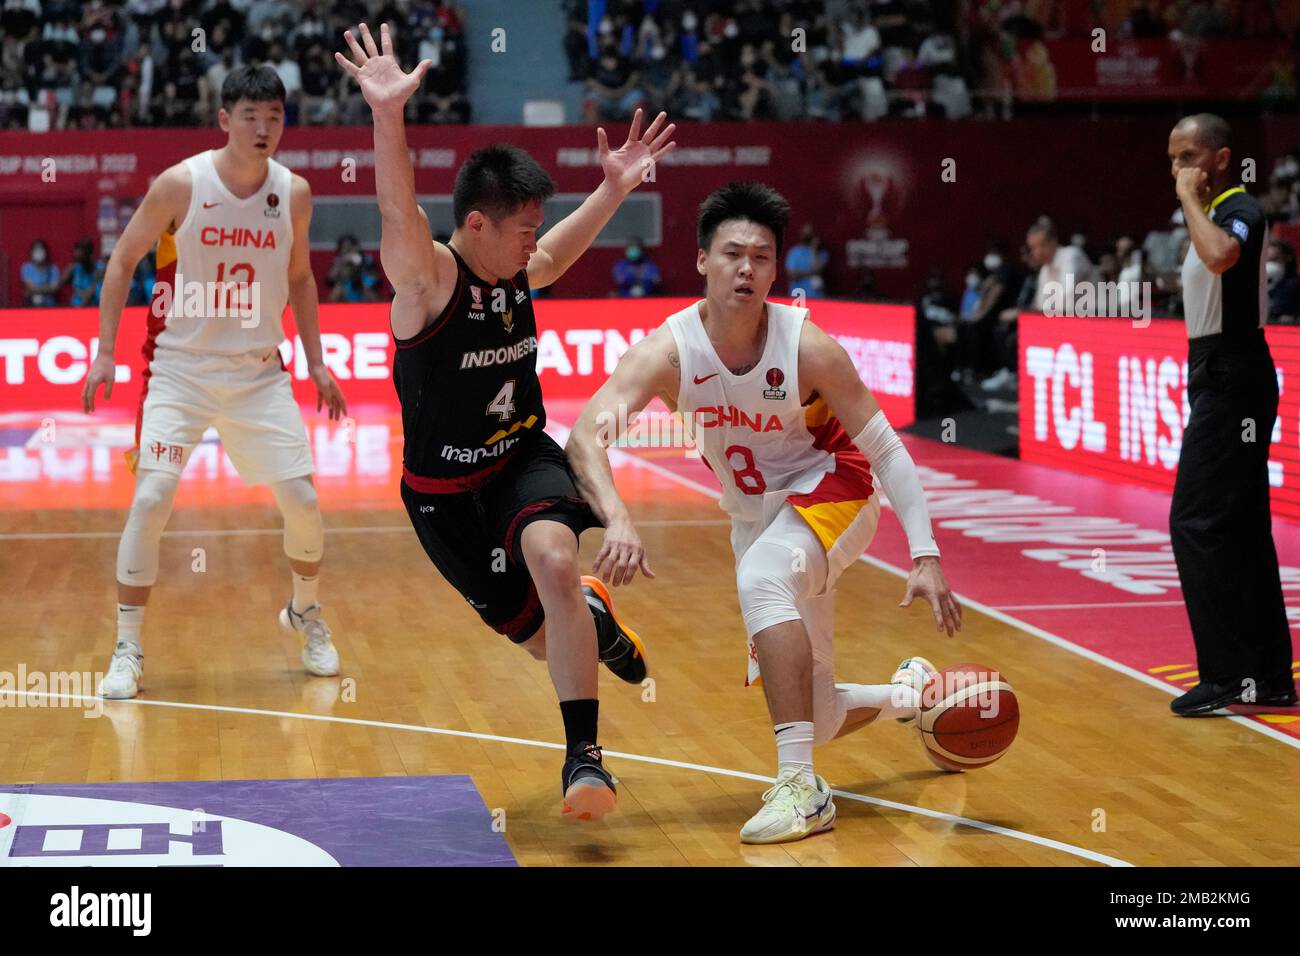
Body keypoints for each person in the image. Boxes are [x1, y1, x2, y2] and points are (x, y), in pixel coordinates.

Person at [335, 22, 675, 821]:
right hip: (443, 499)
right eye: (521, 230)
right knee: (538, 635)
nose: (533, 247)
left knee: (552, 558)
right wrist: (388, 114)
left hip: (522, 457)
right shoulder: (426, 281)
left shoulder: (518, 268)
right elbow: (396, 212)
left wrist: (615, 188)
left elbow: (555, 255)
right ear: (477, 226)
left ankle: (585, 759)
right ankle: (594, 621)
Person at [566, 181, 961, 844]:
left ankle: (803, 791)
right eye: (732, 254)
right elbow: (585, 436)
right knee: (816, 710)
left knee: (762, 582)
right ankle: (914, 695)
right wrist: (619, 518)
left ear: (778, 269)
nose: (746, 268)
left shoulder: (807, 347)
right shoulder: (669, 351)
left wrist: (925, 554)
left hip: (835, 486)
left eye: (761, 256)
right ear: (701, 261)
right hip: (756, 515)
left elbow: (888, 449)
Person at [80, 65, 348, 701]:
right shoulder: (181, 184)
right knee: (150, 502)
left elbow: (302, 279)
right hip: (180, 369)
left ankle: (305, 612)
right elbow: (122, 260)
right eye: (250, 117)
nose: (264, 128)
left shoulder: (296, 192)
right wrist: (103, 353)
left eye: (275, 117)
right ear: (225, 120)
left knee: (305, 505)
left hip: (259, 373)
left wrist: (316, 361)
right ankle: (127, 646)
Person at [1166, 113, 1297, 715]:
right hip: (1215, 371)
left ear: (1221, 158)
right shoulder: (1210, 210)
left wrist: (1191, 199)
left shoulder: (1238, 206)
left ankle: (1223, 674)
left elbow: (1220, 257)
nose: (1178, 170)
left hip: (1233, 373)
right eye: (1171, 159)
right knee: (1242, 528)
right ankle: (1268, 676)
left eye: (1189, 156)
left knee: (1194, 522)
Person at [21, 239, 61, 306]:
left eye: (41, 249)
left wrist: (32, 291)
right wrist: (48, 289)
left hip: (50, 306)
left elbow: (55, 289)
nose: (38, 252)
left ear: (46, 252)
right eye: (36, 249)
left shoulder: (53, 269)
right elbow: (31, 287)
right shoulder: (26, 268)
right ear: (31, 252)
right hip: (32, 306)